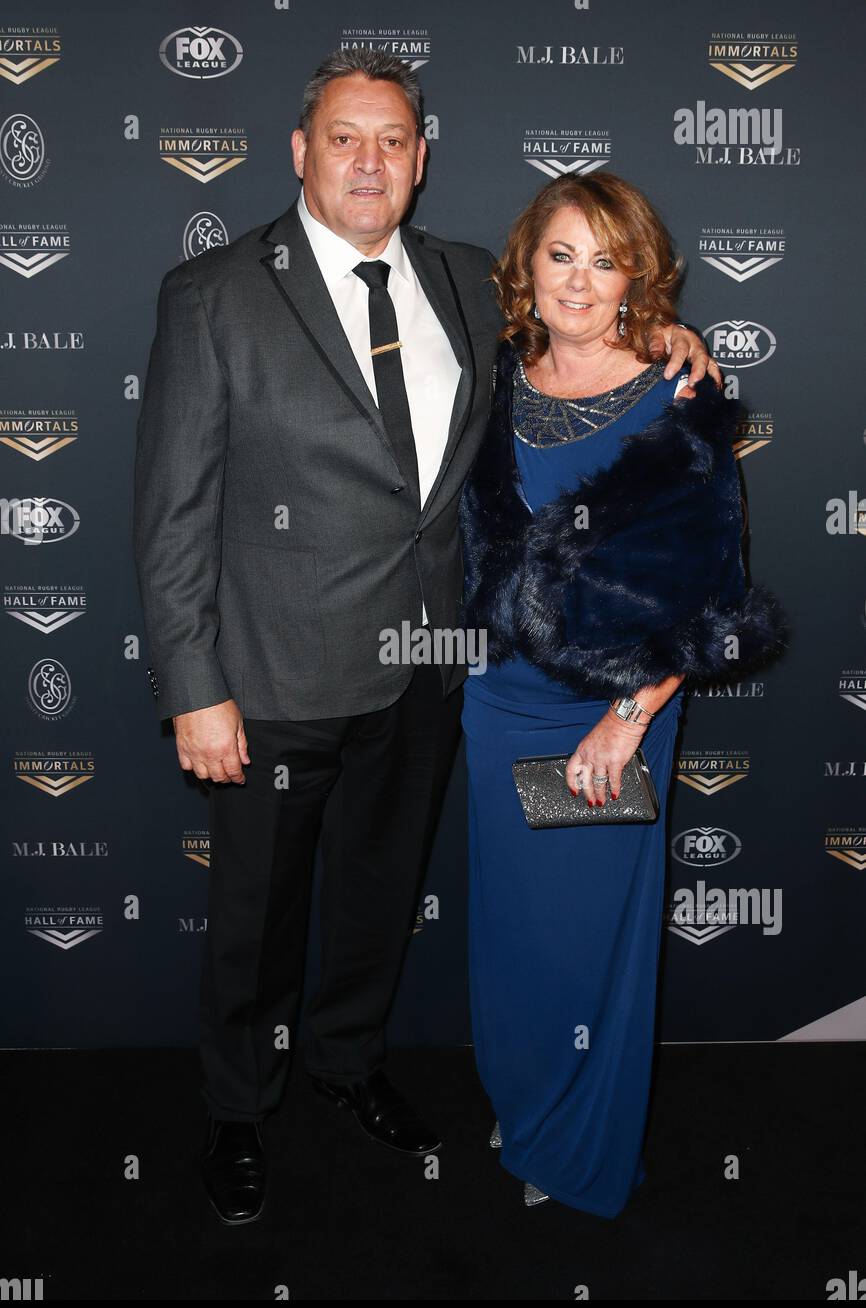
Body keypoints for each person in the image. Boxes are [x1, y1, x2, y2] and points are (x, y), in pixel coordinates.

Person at [133, 49, 714, 1227]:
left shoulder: (461, 283)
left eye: (391, 140)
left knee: (373, 895)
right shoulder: (213, 293)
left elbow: (581, 345)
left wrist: (671, 338)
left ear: (420, 158)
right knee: (255, 918)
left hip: (435, 676)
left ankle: (346, 1065)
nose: (367, 160)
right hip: (275, 675)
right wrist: (194, 683)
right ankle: (239, 1111)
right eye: (344, 136)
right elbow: (173, 510)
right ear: (299, 151)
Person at [459, 171, 787, 1217]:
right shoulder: (496, 375)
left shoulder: (678, 396)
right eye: (560, 254)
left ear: (637, 277)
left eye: (604, 260)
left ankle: (576, 1145)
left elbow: (715, 590)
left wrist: (628, 716)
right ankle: (525, 1099)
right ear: (526, 266)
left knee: (582, 938)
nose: (578, 280)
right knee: (511, 929)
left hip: (612, 714)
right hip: (497, 700)